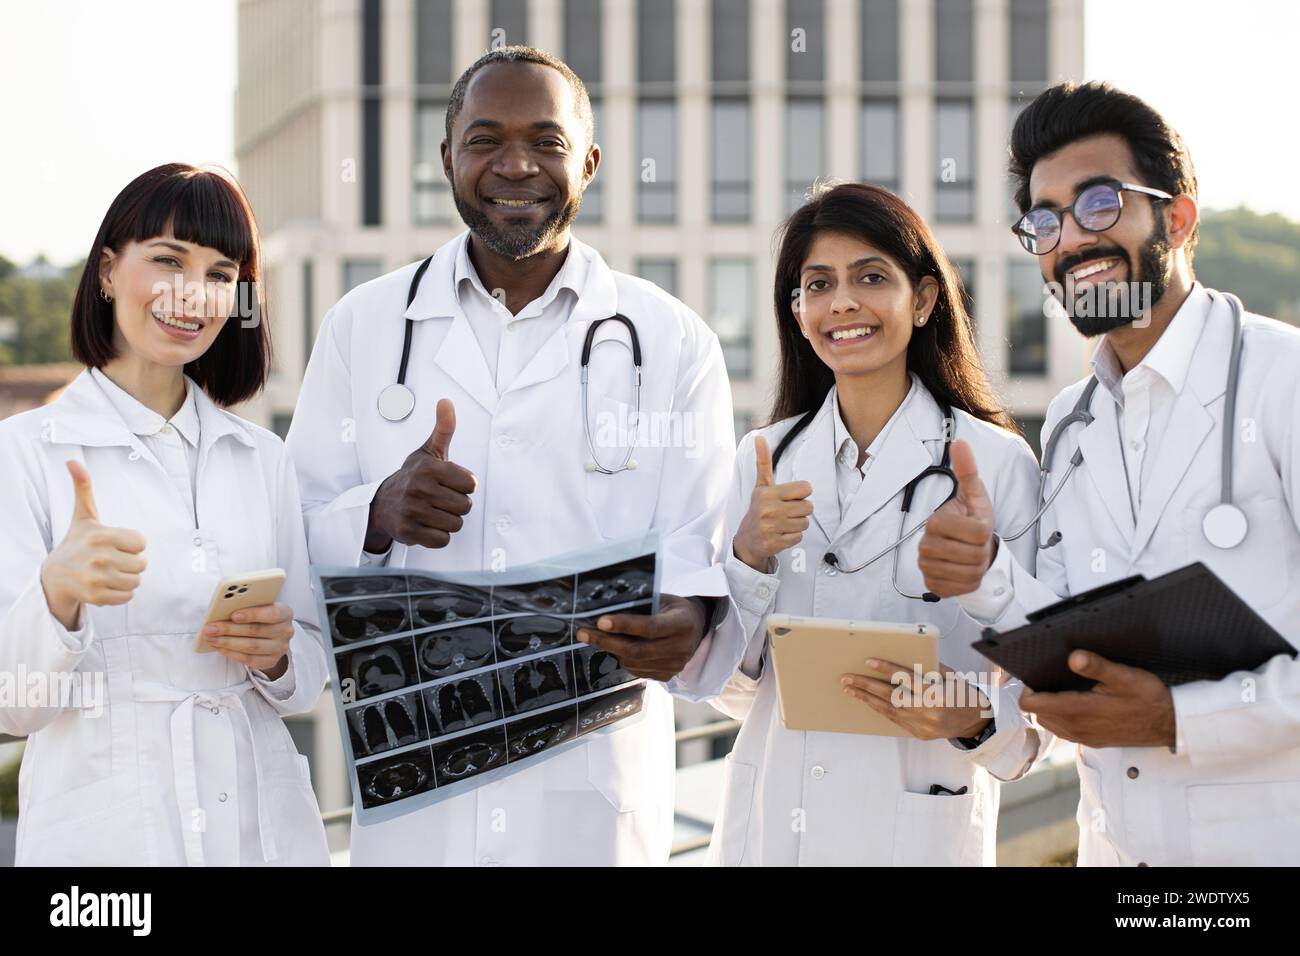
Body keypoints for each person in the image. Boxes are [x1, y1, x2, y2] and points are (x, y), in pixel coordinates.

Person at [286, 46, 742, 866]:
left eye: (547, 141)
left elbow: (699, 549)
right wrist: (378, 513)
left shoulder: (673, 341)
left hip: (591, 786)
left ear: (591, 163)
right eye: (485, 139)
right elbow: (294, 528)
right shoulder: (363, 326)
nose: (516, 165)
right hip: (418, 781)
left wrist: (690, 619)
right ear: (448, 159)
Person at [919, 81, 1300, 866]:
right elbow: (1068, 621)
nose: (1070, 240)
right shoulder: (1070, 420)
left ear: (1179, 217)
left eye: (1100, 203)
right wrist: (985, 574)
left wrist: (1176, 718)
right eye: (1046, 220)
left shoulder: (1283, 380)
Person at [705, 182, 1050, 866]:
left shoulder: (998, 466)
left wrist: (971, 718)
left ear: (922, 301)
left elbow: (1045, 714)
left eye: (871, 277)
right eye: (818, 284)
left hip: (917, 831)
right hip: (773, 829)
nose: (843, 302)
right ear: (797, 310)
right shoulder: (760, 461)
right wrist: (747, 559)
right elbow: (727, 690)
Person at [0, 164, 330, 866]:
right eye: (168, 260)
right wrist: (57, 595)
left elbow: (307, 675)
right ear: (109, 271)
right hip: (107, 844)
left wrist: (274, 653)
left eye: (219, 274)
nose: (193, 293)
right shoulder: (23, 453)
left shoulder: (262, 458)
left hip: (260, 829)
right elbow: (10, 706)